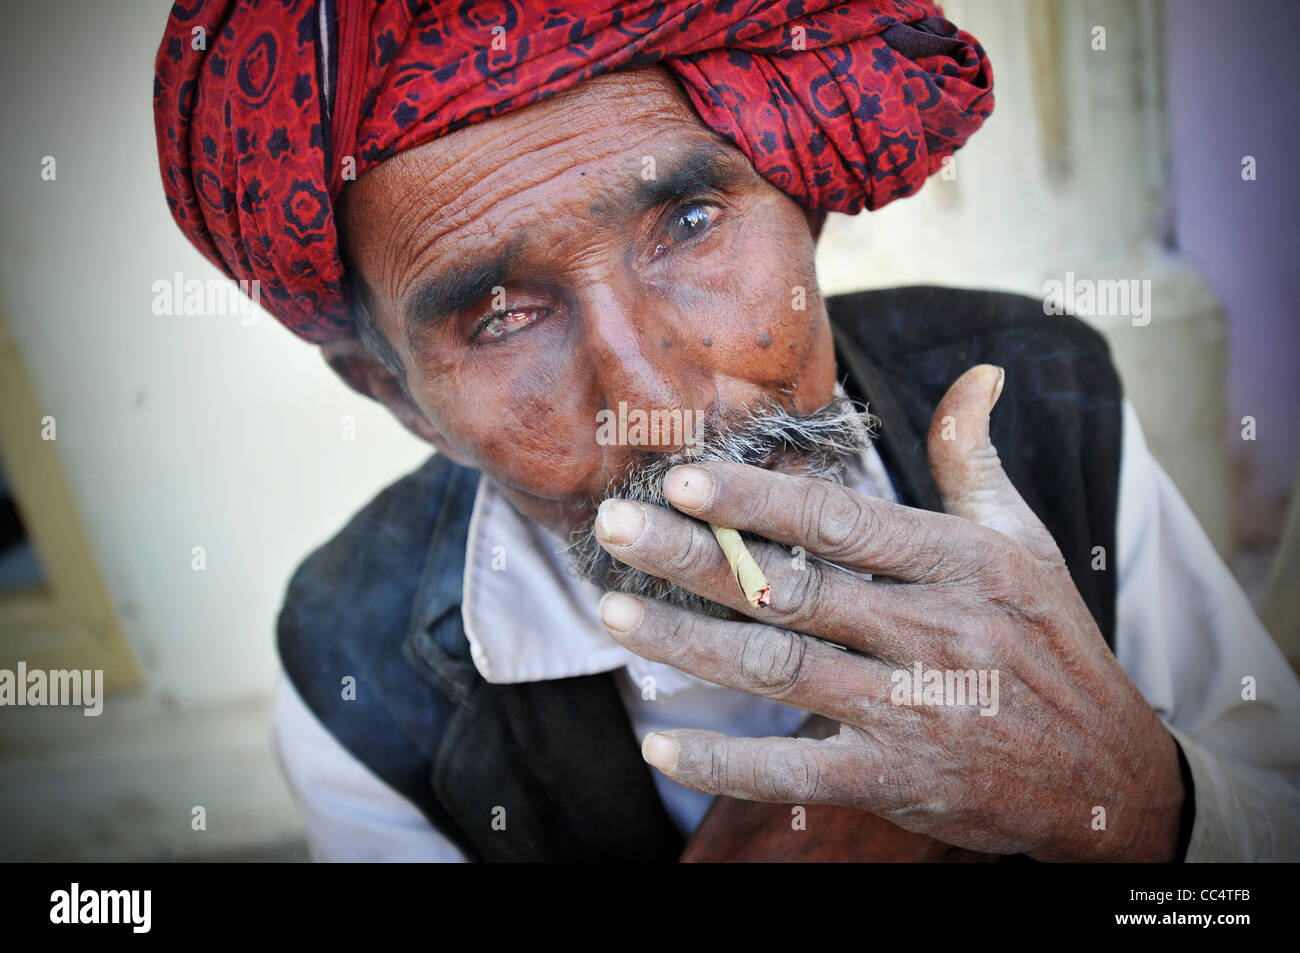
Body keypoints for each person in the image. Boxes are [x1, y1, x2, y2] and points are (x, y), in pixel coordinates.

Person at [154, 0, 1300, 861]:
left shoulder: (1038, 398)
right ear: (399, 397)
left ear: (802, 210)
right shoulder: (352, 658)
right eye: (500, 316)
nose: (652, 388)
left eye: (690, 222)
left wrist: (1138, 798)